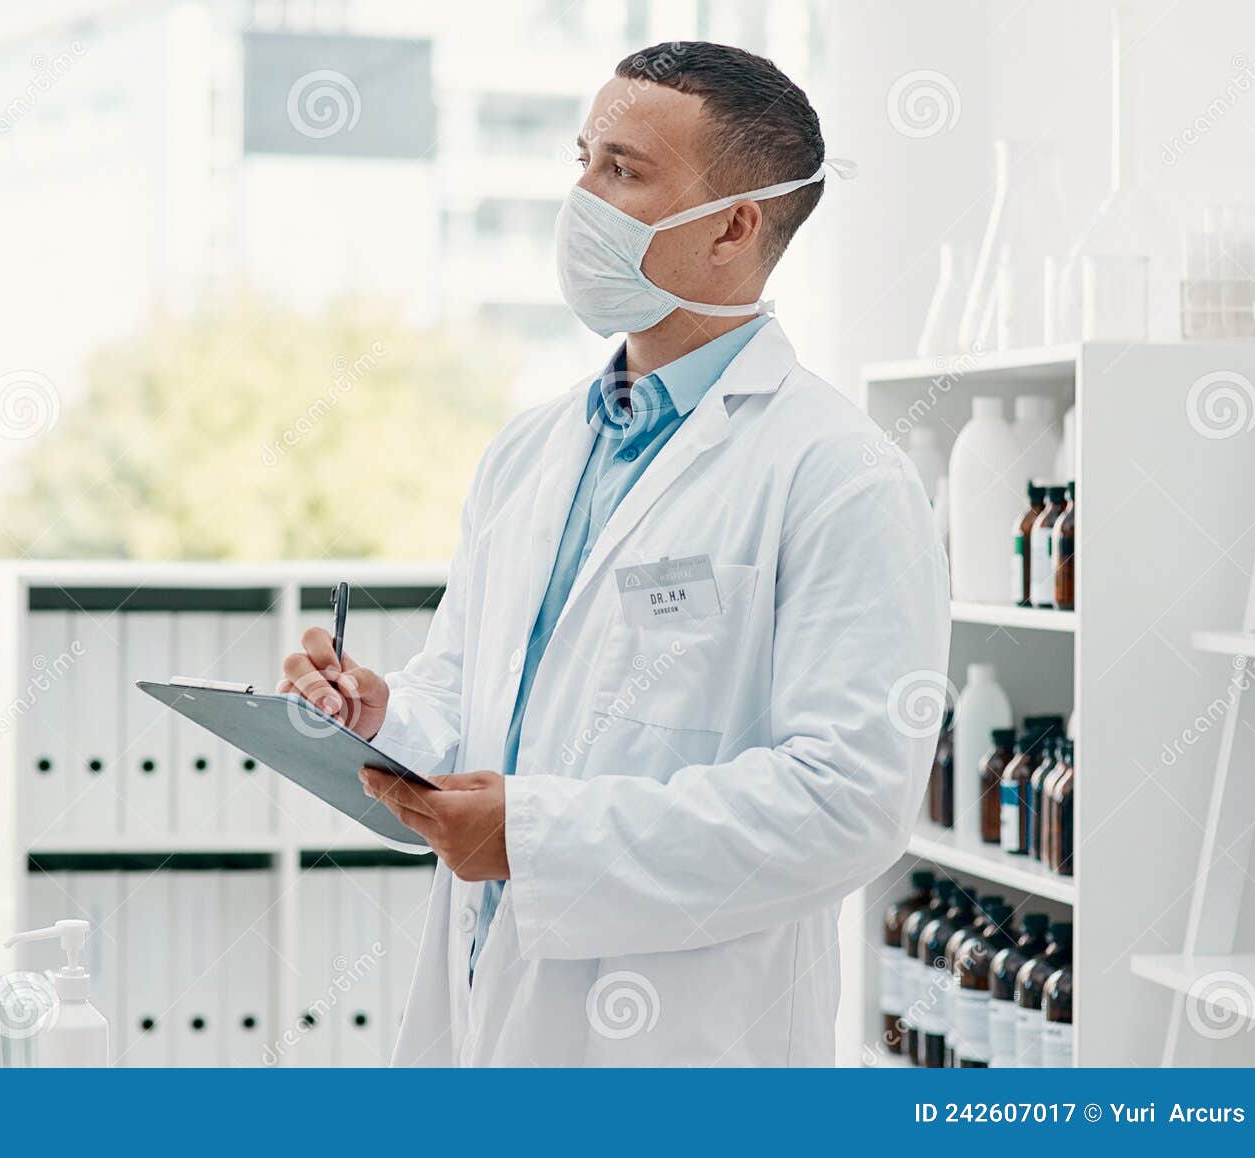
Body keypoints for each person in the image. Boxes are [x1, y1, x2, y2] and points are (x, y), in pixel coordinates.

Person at [278, 41, 950, 1066]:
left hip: (687, 1045)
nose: (581, 198)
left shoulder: (839, 475)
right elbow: (466, 695)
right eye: (583, 159)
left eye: (623, 170)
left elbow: (845, 803)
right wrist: (381, 715)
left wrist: (536, 839)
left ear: (733, 226)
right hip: (490, 1010)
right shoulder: (530, 451)